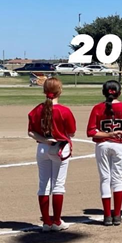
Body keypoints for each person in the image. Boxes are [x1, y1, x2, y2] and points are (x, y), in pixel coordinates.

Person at [27, 77, 76, 232]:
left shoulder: (37, 110)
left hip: (42, 148)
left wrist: (45, 140)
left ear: (44, 91)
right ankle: (56, 221)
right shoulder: (64, 111)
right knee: (58, 185)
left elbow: (30, 132)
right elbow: (72, 132)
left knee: (43, 185)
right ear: (59, 91)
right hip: (60, 148)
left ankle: (46, 222)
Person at [87, 80, 122, 226]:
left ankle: (107, 215)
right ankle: (117, 215)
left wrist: (107, 134)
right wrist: (116, 133)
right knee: (118, 179)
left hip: (102, 145)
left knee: (105, 179)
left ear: (104, 92)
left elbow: (91, 132)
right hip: (119, 146)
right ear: (119, 93)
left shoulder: (97, 108)